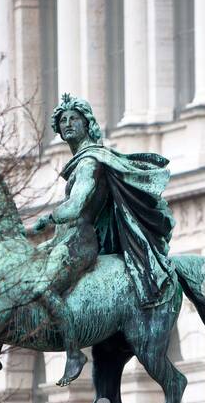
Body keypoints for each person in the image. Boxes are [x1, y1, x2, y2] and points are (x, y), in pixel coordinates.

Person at [30, 94, 176, 387]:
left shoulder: (89, 162)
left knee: (43, 289)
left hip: (79, 244)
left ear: (87, 123)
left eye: (74, 119)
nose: (68, 124)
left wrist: (47, 219)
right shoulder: (79, 162)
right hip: (63, 241)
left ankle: (73, 354)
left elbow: (77, 205)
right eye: (63, 121)